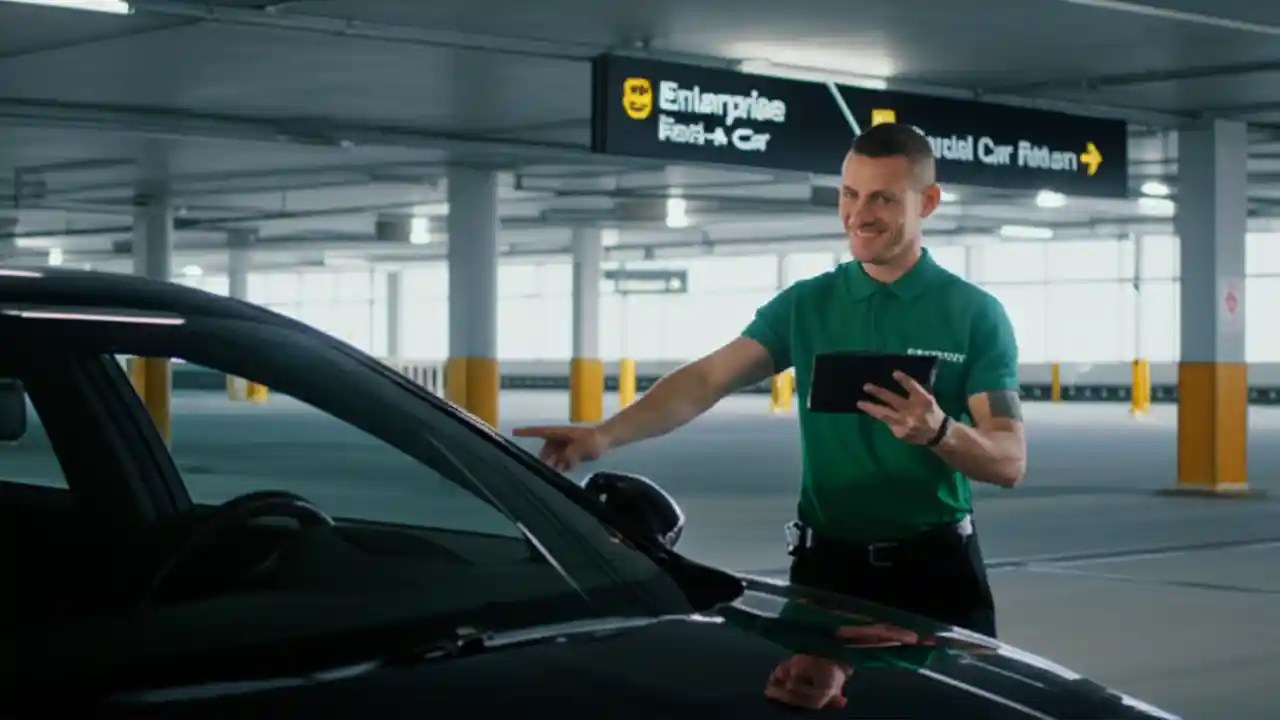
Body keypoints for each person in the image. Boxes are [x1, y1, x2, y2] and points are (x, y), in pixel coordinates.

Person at [514, 122, 1027, 638]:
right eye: (849, 194)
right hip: (828, 571)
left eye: (883, 199)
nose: (859, 215)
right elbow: (708, 378)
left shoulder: (973, 315)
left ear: (929, 202)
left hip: (937, 573)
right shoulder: (807, 304)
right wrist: (604, 434)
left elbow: (1008, 460)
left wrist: (940, 432)